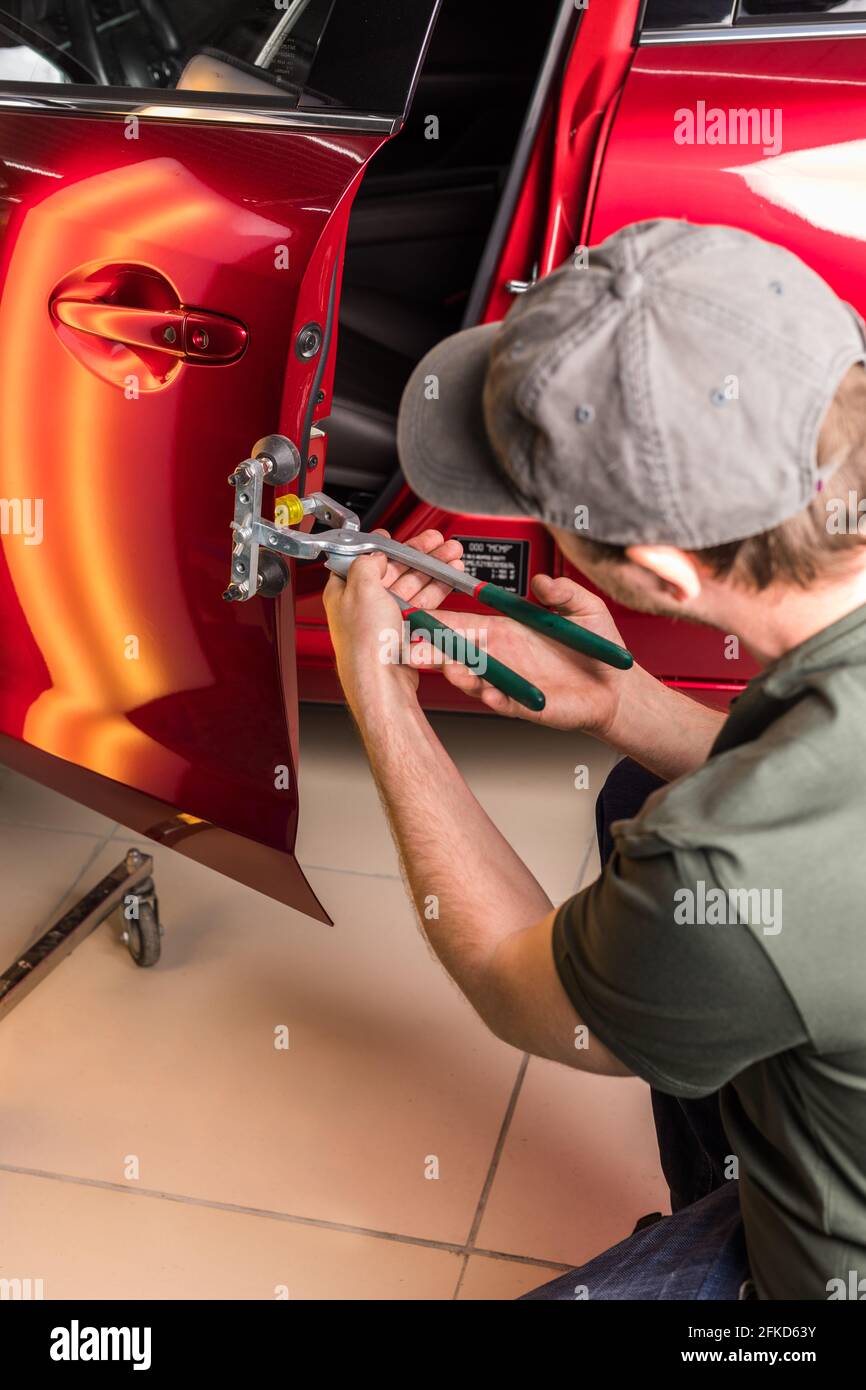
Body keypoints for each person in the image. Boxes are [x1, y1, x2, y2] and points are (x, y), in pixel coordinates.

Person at [323, 219, 866, 1300]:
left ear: (661, 575)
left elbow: (513, 984)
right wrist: (627, 701)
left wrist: (379, 698)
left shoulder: (719, 867)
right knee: (642, 785)